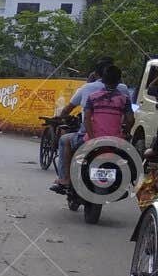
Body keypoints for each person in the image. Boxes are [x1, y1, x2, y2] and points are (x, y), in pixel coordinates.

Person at [52, 61, 134, 193]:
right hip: (115, 140)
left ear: (98, 76)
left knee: (64, 140)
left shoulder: (91, 95)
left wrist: (91, 136)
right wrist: (125, 132)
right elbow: (130, 119)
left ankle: (64, 179)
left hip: (92, 138)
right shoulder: (124, 96)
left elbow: (86, 119)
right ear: (119, 80)